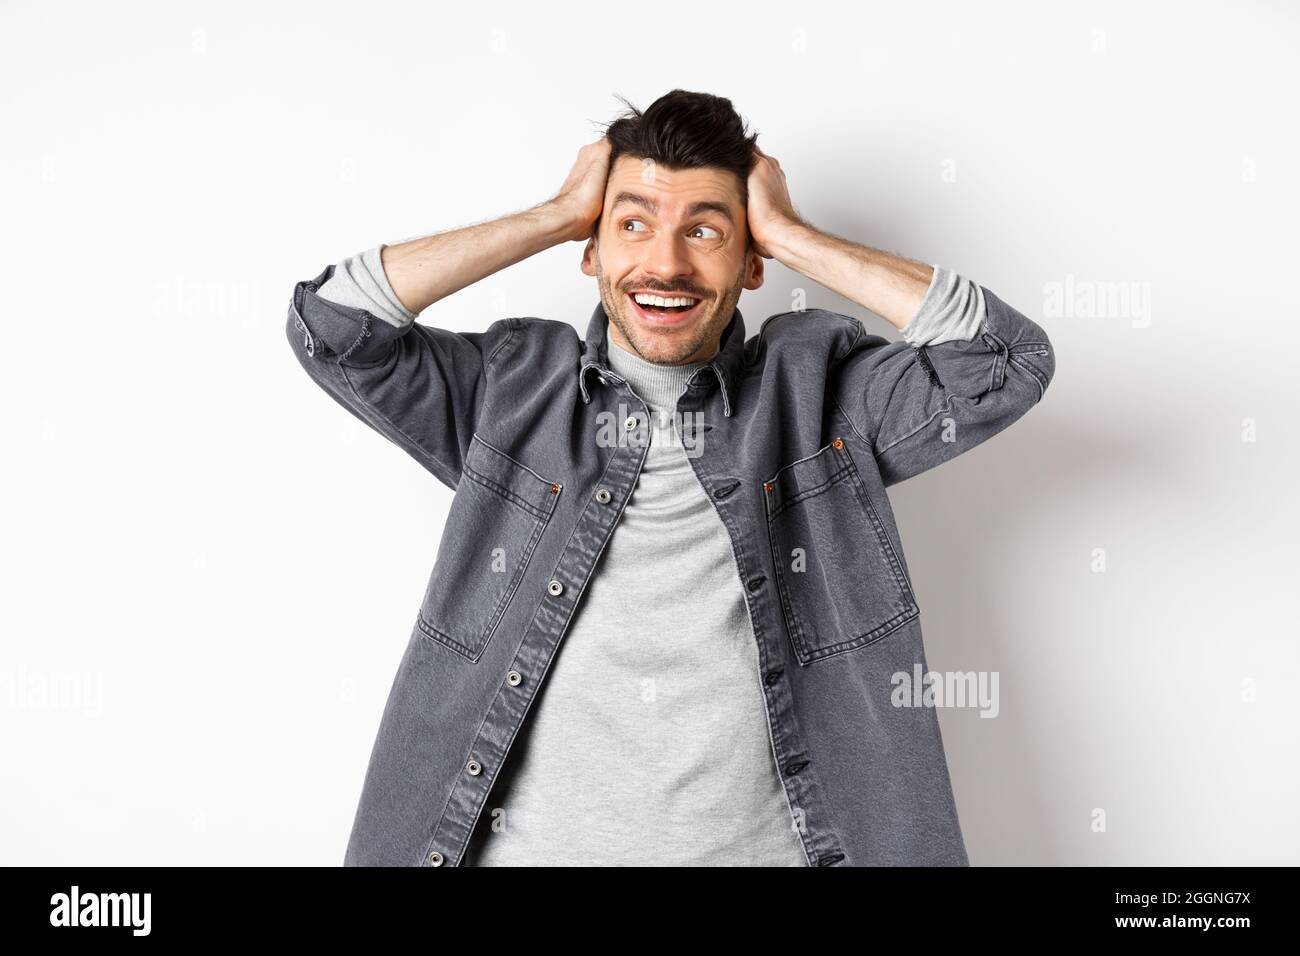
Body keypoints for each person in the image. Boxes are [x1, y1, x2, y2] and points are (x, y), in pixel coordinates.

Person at [284, 89, 1055, 866]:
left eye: (705, 231)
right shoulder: (511, 391)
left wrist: (789, 232)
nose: (665, 263)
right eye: (632, 225)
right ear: (591, 251)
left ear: (752, 262)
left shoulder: (819, 394)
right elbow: (333, 324)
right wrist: (553, 214)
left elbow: (1006, 364)